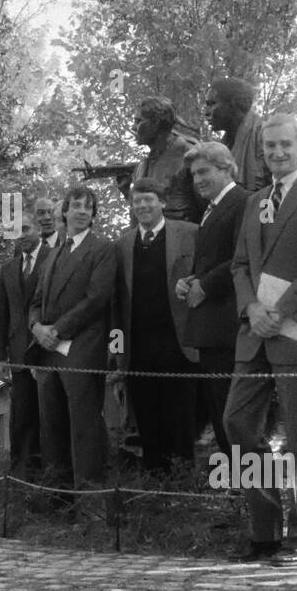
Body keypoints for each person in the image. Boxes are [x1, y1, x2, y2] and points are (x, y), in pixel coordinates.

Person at [224, 113, 297, 566]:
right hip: (254, 333)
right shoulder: (254, 202)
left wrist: (282, 310)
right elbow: (239, 265)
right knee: (237, 423)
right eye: (269, 146)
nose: (276, 153)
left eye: (284, 145)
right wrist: (252, 309)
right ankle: (265, 529)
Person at [28, 184, 117, 490]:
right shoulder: (53, 253)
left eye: (88, 207)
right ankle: (57, 499)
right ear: (63, 211)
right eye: (76, 205)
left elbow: (96, 299)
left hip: (81, 348)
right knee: (51, 428)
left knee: (84, 428)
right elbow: (36, 301)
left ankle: (90, 502)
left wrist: (57, 330)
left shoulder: (103, 249)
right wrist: (37, 328)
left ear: (93, 215)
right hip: (48, 351)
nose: (82, 212)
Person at [112, 177, 198, 474]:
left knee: (181, 412)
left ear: (162, 202)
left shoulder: (190, 233)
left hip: (179, 343)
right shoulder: (123, 243)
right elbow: (116, 305)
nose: (143, 206)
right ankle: (155, 480)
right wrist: (117, 353)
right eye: (137, 201)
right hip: (137, 345)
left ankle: (185, 476)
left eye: (149, 199)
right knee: (146, 414)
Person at [177, 142, 248, 457]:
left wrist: (205, 286)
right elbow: (210, 261)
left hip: (229, 328)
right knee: (221, 414)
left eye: (203, 172)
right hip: (210, 329)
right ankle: (239, 490)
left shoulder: (243, 202)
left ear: (226, 167)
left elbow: (241, 258)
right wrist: (190, 280)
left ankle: (253, 494)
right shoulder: (213, 209)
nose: (198, 181)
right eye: (194, 175)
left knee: (236, 418)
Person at [0, 212, 50, 476]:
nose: (21, 235)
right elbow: (0, 315)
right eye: (15, 230)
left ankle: (51, 471)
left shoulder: (56, 257)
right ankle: (20, 473)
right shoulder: (8, 269)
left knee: (49, 413)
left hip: (47, 350)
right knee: (21, 413)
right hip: (17, 354)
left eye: (25, 228)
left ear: (38, 228)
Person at [126, 96, 204, 223]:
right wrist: (127, 192)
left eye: (138, 121)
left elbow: (209, 208)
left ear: (156, 123)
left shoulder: (190, 155)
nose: (133, 127)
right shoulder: (142, 167)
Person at [202, 77, 271, 193]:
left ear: (233, 104)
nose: (206, 112)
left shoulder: (265, 136)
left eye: (212, 104)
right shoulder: (222, 148)